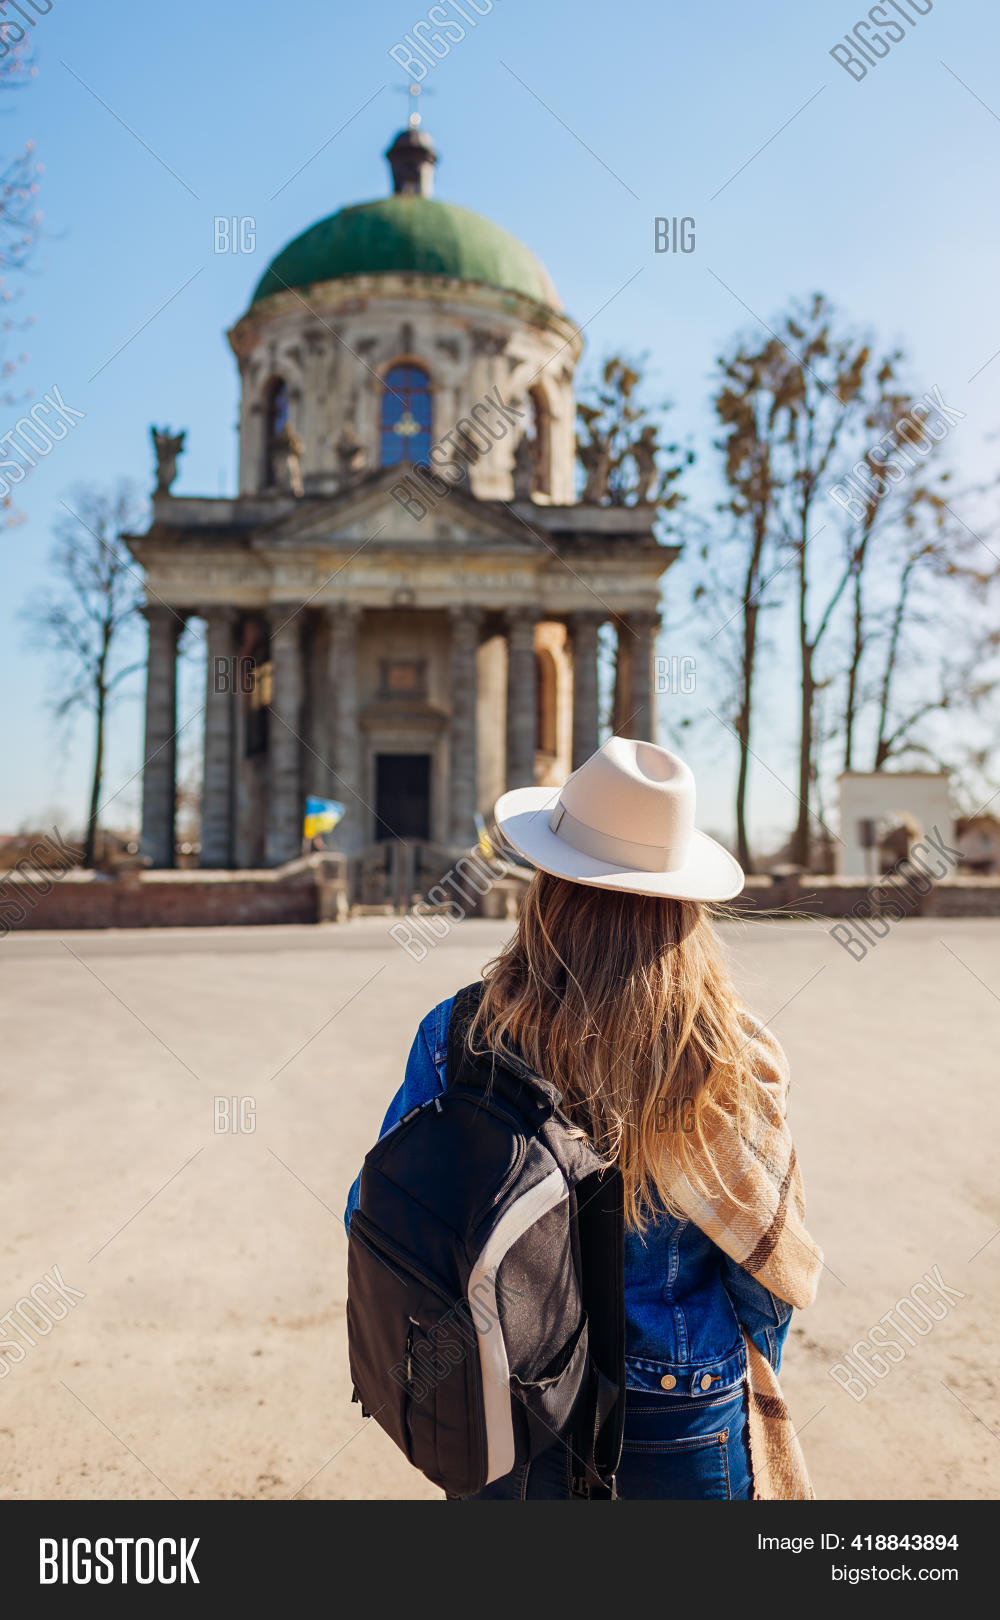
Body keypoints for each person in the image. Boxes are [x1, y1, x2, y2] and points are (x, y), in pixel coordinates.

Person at [346, 737, 822, 1500]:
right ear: (683, 904)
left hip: (506, 1399)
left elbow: (375, 1213)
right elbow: (766, 1276)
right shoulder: (736, 1052)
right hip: (684, 1401)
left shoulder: (460, 1031)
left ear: (549, 883)